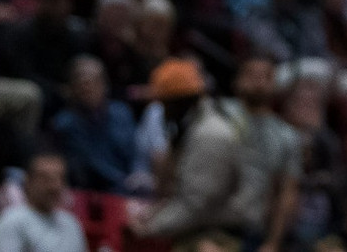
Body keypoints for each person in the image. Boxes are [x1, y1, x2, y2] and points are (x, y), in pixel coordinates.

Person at [128, 60, 248, 246]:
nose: (162, 112)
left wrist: (150, 228)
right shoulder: (192, 127)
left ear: (181, 101)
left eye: (165, 104)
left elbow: (195, 205)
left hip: (217, 236)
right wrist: (152, 214)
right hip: (196, 227)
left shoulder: (210, 134)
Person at [225, 54, 300, 252]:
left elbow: (287, 192)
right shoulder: (218, 116)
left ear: (274, 84)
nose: (258, 82)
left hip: (253, 231)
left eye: (266, 76)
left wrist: (273, 243)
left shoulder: (287, 136)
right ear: (237, 80)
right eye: (251, 75)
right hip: (212, 224)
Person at [48, 56, 135, 193]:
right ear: (72, 88)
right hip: (93, 190)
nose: (87, 87)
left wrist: (139, 173)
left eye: (94, 82)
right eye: (81, 83)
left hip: (130, 184)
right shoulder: (65, 124)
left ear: (105, 85)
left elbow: (136, 151)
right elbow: (89, 165)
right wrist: (125, 181)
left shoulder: (121, 113)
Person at [0, 153, 85, 252]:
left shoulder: (71, 223)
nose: (54, 186)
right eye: (46, 179)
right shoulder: (11, 221)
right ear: (28, 181)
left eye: (60, 178)